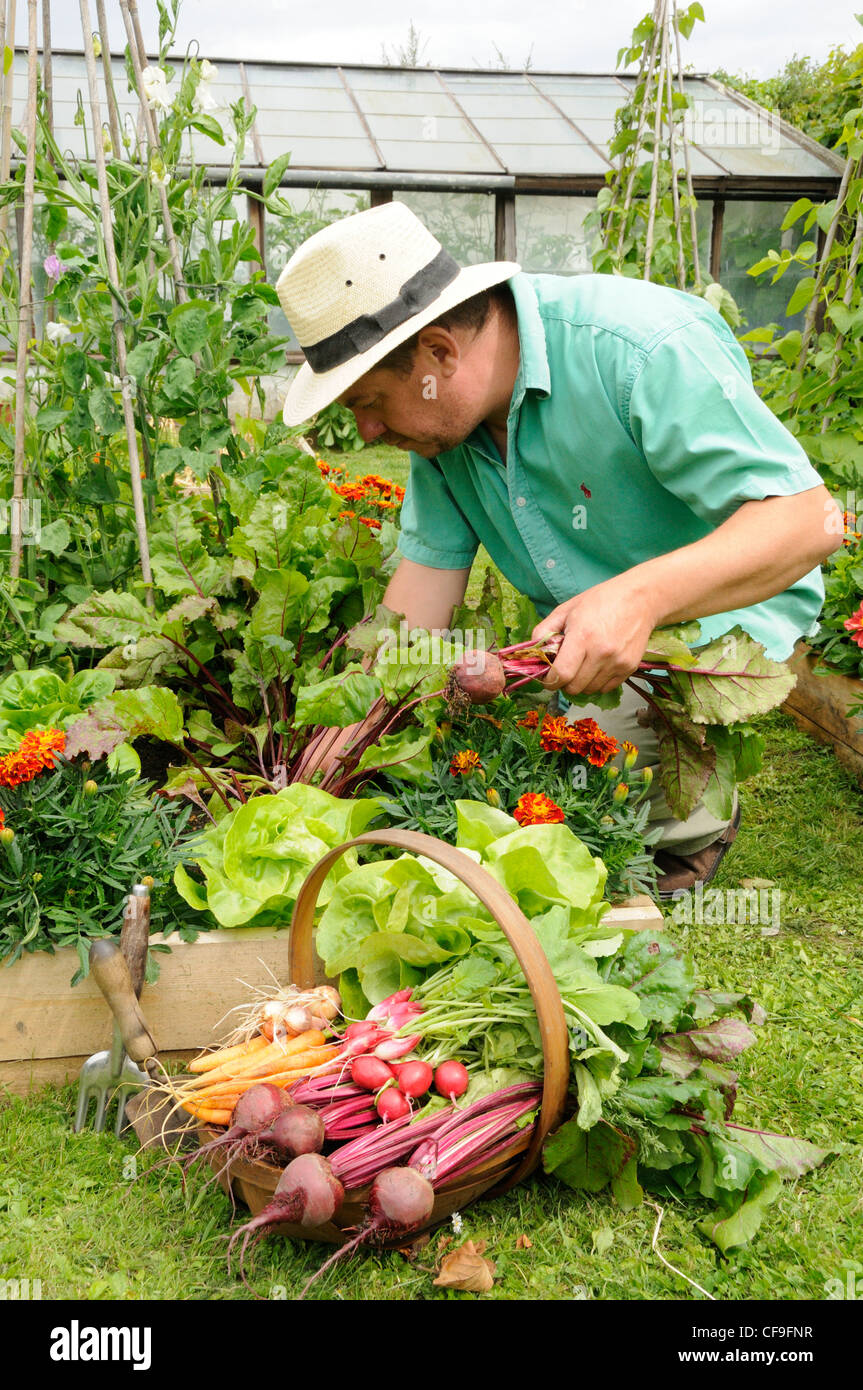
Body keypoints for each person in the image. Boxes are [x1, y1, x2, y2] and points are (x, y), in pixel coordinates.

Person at [276, 201, 841, 895]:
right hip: (576, 642)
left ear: (440, 354)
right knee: (450, 762)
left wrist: (637, 598)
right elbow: (416, 605)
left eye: (368, 401)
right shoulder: (442, 430)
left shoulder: (639, 347)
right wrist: (356, 726)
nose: (365, 431)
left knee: (563, 786)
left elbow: (809, 523)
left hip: (711, 636)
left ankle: (694, 824)